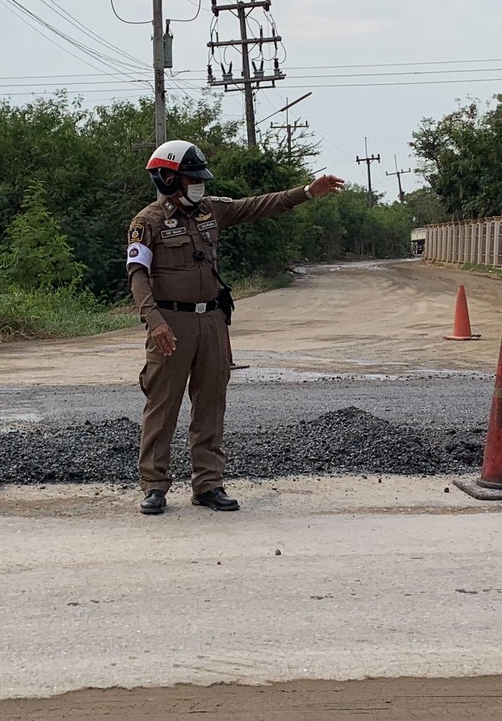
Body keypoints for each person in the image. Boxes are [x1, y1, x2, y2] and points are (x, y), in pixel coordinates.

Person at [126, 140, 345, 515]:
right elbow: (138, 274)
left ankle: (208, 484)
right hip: (171, 323)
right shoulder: (148, 222)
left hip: (212, 321)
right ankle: (154, 486)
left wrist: (307, 192)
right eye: (190, 179)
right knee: (162, 406)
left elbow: (259, 204)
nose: (198, 185)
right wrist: (154, 321)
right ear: (166, 178)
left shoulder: (211, 210)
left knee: (211, 405)